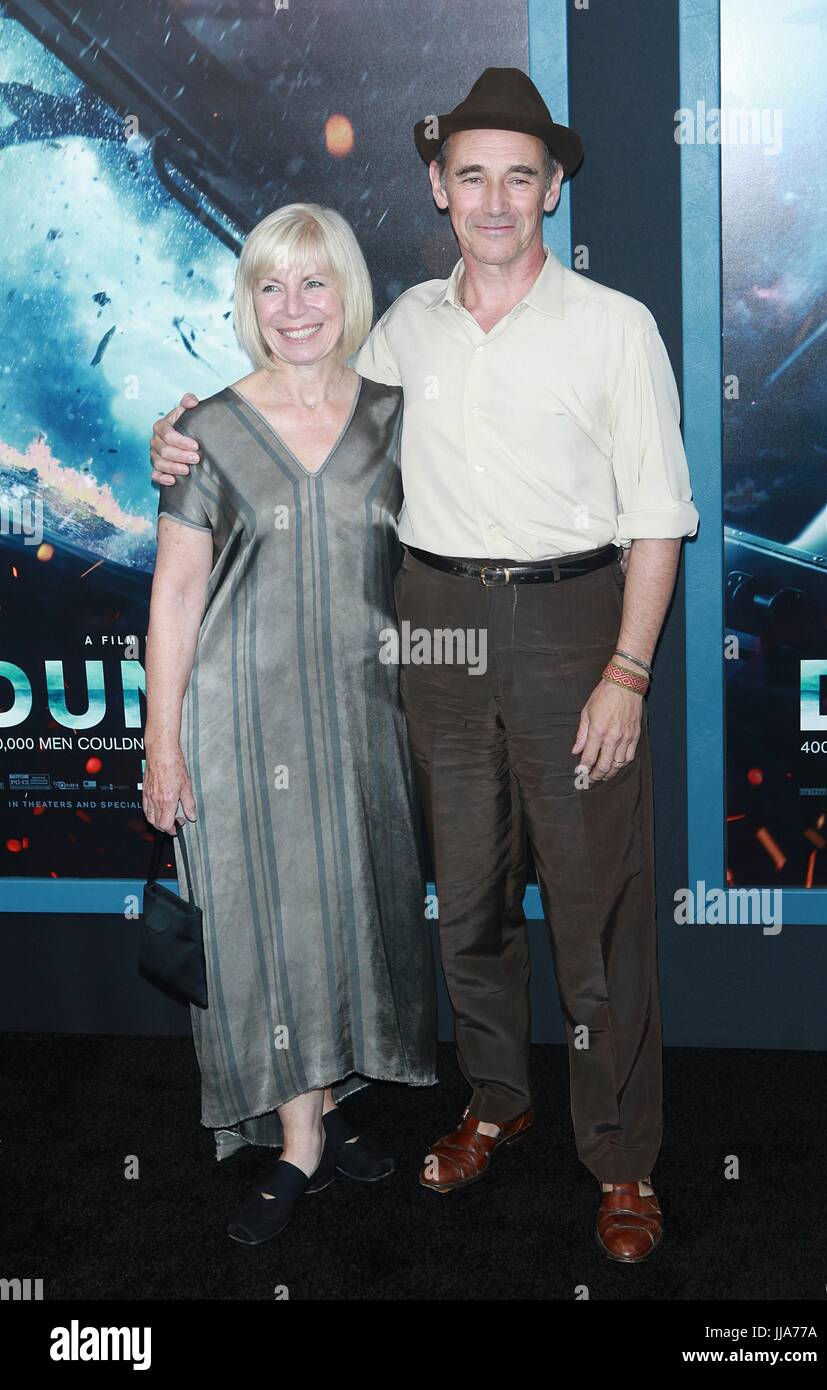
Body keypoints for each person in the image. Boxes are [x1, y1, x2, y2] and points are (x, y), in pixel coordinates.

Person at [149, 68, 700, 1263]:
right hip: (435, 626)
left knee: (597, 923)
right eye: (471, 177)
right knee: (473, 912)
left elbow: (659, 522)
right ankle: (495, 1103)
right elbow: (302, 408)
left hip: (574, 623)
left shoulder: (616, 328)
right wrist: (181, 435)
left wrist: (628, 672)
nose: (495, 199)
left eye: (519, 176)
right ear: (437, 190)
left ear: (551, 187)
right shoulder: (399, 326)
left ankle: (623, 1159)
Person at [143, 203, 437, 1246]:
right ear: (248, 303)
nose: (295, 307)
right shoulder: (208, 429)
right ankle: (298, 1138)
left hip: (364, 715)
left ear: (347, 294)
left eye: (315, 283)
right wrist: (161, 744)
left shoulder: (397, 414)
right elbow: (175, 597)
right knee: (275, 922)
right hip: (240, 717)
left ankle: (334, 1095)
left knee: (350, 909)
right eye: (272, 285)